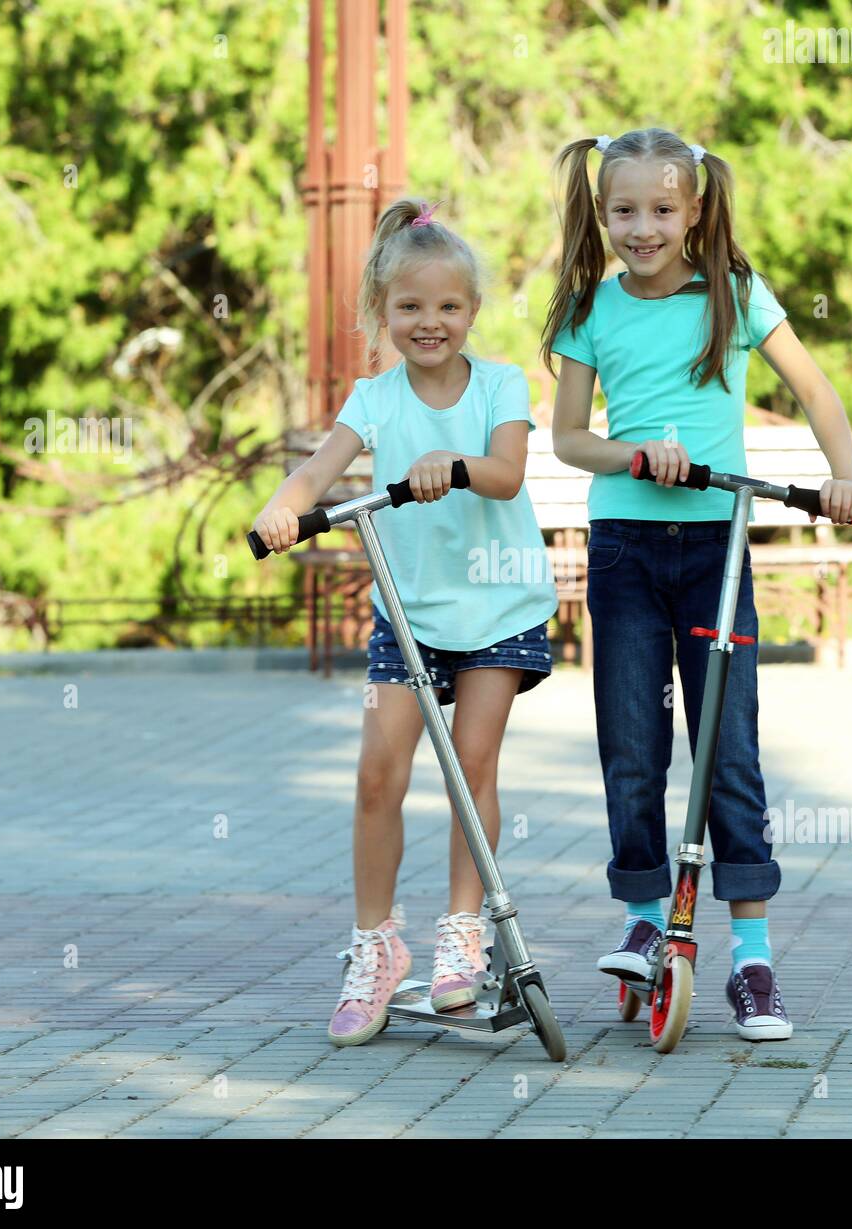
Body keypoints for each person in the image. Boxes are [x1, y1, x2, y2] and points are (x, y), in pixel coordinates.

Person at [542, 128, 852, 1041]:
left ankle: (752, 959)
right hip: (625, 549)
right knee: (633, 744)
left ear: (695, 209)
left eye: (660, 209)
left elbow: (816, 390)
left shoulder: (734, 295)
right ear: (602, 213)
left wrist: (845, 473)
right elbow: (569, 437)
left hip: (717, 547)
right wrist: (636, 454)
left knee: (728, 750)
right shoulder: (589, 309)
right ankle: (645, 921)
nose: (641, 227)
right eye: (623, 211)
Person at [254, 198, 558, 1045]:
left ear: (473, 311)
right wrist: (285, 506)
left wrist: (450, 464)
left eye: (449, 307)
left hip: (497, 606)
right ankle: (376, 947)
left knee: (470, 769)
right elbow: (319, 470)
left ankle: (463, 937)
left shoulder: (500, 384)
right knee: (376, 777)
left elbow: (503, 474)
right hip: (410, 614)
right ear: (382, 313)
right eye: (411, 308)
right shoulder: (375, 398)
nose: (431, 323)